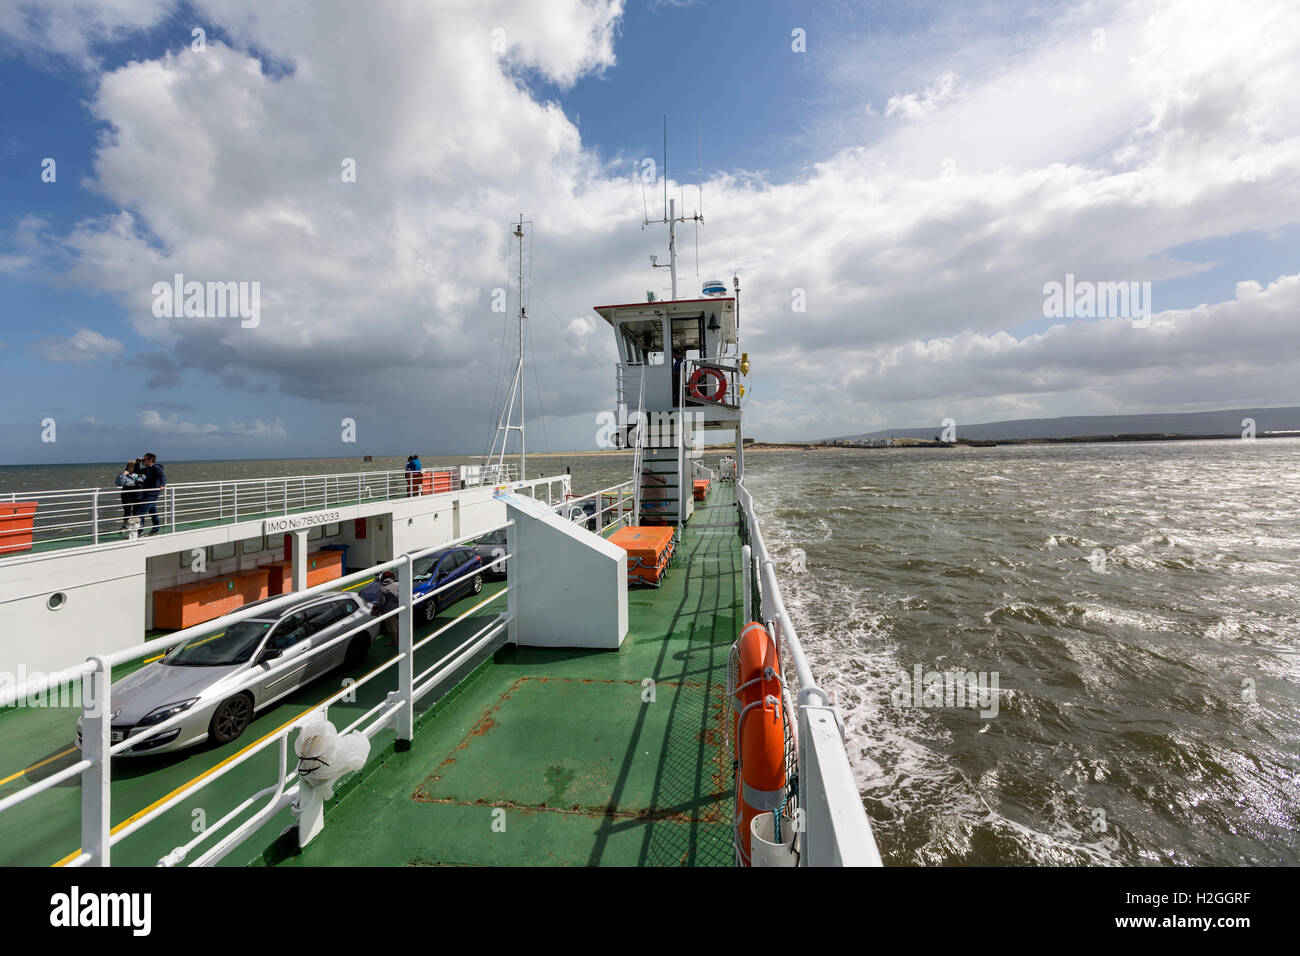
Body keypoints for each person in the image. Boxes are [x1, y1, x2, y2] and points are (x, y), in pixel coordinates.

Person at [134, 453, 166, 536]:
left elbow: (162, 476)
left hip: (151, 494)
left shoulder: (156, 467)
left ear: (150, 460)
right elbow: (136, 471)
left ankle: (139, 532)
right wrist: (137, 462)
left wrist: (163, 485)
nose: (143, 461)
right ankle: (156, 530)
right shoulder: (147, 468)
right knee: (153, 512)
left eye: (144, 460)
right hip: (147, 493)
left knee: (140, 513)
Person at [371, 569, 401, 645]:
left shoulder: (383, 589)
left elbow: (382, 602)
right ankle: (400, 639)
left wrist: (377, 610)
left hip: (389, 610)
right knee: (397, 624)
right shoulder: (398, 584)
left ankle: (394, 642)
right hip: (400, 607)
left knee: (391, 626)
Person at [114, 459, 141, 531]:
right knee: (127, 511)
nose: (133, 468)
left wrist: (139, 479)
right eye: (131, 466)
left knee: (136, 511)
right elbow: (118, 483)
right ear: (128, 467)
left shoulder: (138, 474)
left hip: (137, 493)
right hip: (126, 494)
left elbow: (144, 482)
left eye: (134, 466)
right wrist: (123, 475)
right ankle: (124, 526)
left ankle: (135, 526)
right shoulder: (123, 474)